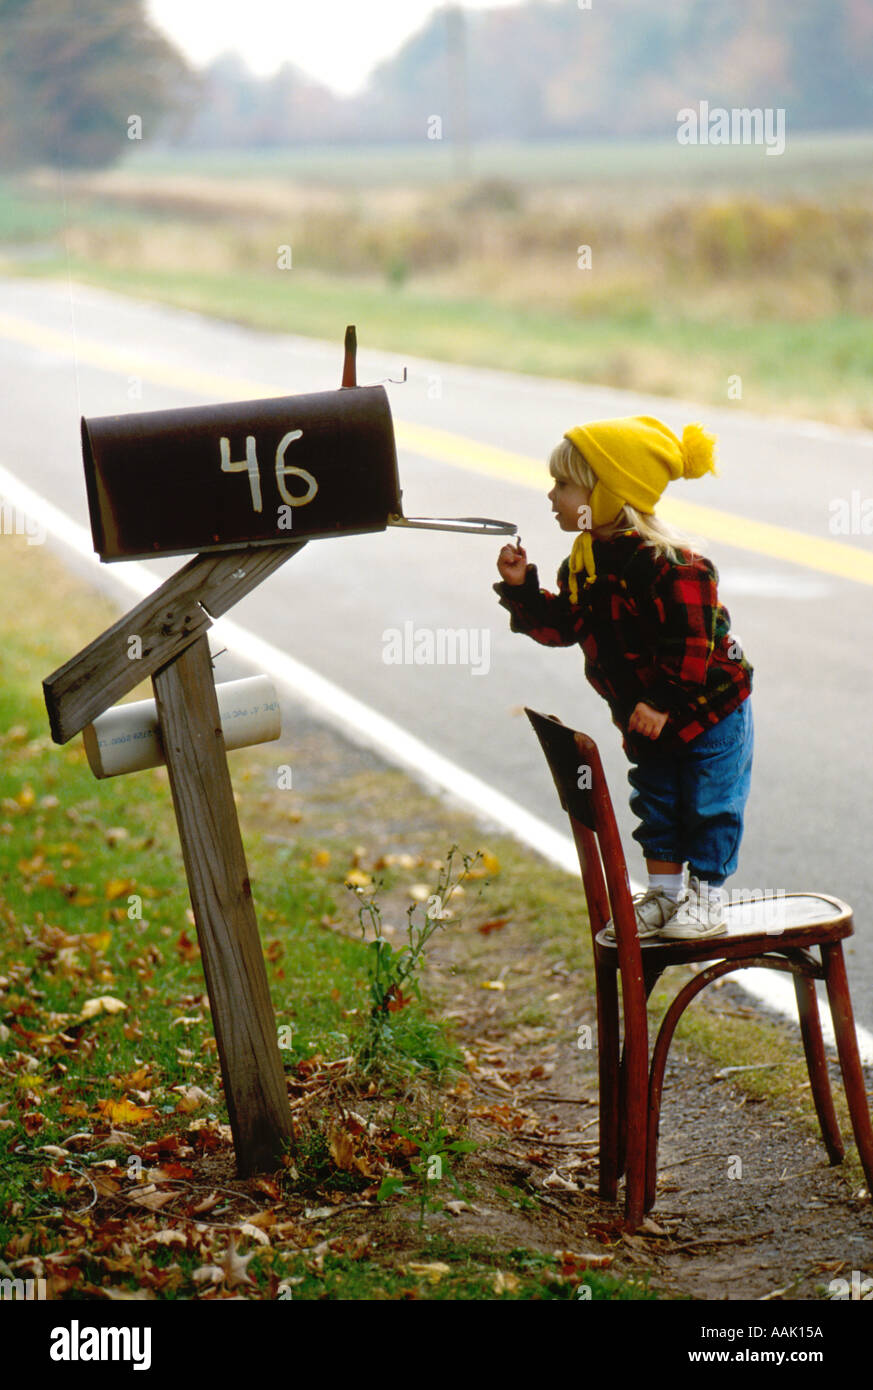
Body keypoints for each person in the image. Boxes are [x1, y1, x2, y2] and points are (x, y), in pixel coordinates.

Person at [494, 415, 753, 940]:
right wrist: (522, 590)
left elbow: (690, 644)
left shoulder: (675, 565)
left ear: (607, 492)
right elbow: (565, 627)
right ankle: (663, 895)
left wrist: (660, 700)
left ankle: (707, 899)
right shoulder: (584, 564)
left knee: (708, 802)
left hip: (708, 710)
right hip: (645, 713)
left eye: (563, 485)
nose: (551, 496)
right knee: (655, 797)